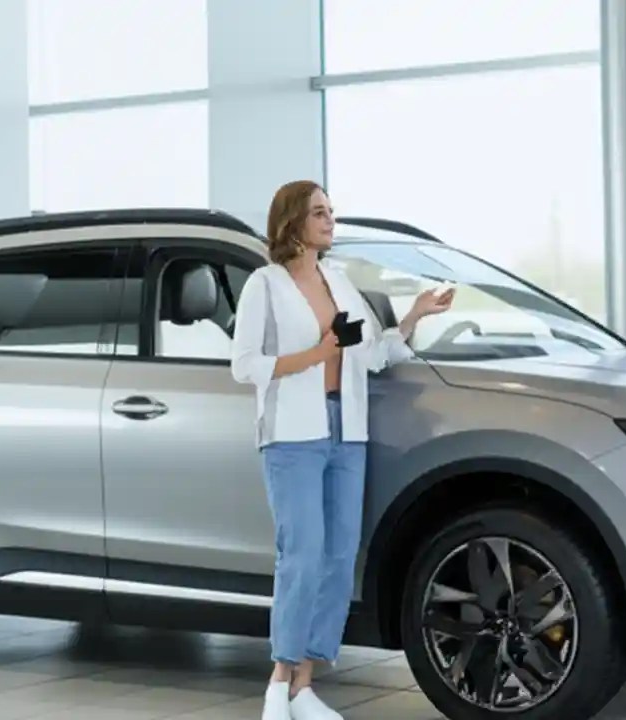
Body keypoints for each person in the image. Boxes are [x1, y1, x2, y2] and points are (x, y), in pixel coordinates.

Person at [230, 180, 454, 720]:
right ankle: (278, 684)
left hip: (345, 429)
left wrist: (415, 315)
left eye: (332, 211)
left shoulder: (339, 281)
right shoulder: (265, 284)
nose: (330, 220)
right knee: (301, 555)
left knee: (337, 558)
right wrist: (314, 354)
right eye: (319, 212)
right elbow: (245, 366)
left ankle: (305, 686)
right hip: (292, 433)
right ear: (293, 222)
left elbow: (373, 354)